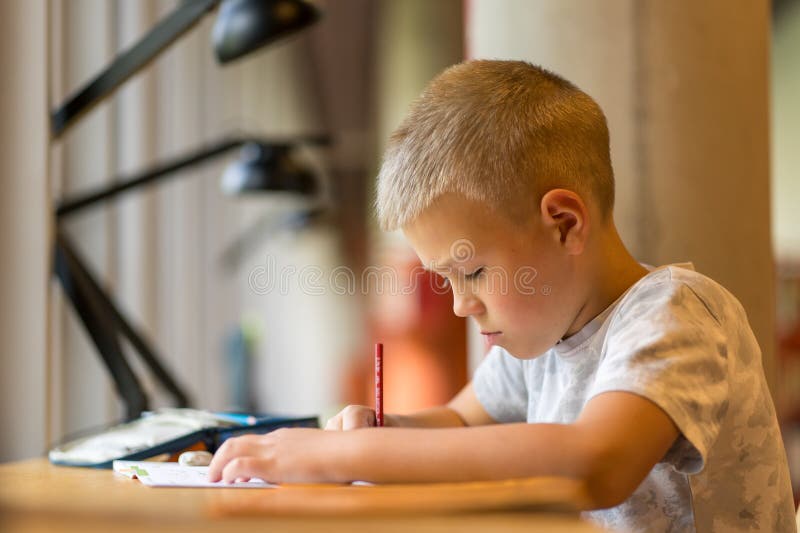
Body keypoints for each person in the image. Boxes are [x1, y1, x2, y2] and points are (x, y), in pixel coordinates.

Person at [208, 60, 796, 532]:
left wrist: (336, 459)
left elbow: (598, 465)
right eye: (448, 281)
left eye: (473, 273)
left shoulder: (675, 312)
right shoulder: (543, 338)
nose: (462, 305)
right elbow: (462, 423)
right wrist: (381, 433)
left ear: (564, 223)